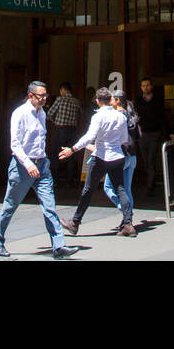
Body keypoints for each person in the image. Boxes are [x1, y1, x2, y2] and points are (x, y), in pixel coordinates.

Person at [0, 81, 76, 259]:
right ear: (31, 96)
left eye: (46, 95)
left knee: (49, 206)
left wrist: (42, 161)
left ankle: (59, 246)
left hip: (42, 164)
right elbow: (15, 144)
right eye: (41, 96)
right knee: (10, 205)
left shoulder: (42, 113)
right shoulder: (19, 114)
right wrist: (28, 164)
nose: (45, 99)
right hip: (23, 166)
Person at [60, 87, 135, 237]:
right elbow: (124, 139)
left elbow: (89, 136)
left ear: (97, 101)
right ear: (109, 100)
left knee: (88, 190)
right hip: (117, 156)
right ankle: (128, 224)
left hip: (100, 156)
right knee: (120, 189)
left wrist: (72, 149)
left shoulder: (98, 117)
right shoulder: (121, 117)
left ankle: (75, 223)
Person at [102, 90, 140, 221]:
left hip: (120, 156)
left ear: (118, 101)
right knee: (127, 189)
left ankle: (126, 212)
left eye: (112, 99)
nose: (110, 101)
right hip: (132, 155)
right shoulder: (131, 115)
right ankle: (127, 220)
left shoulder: (116, 116)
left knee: (108, 186)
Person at [133, 77, 167, 194]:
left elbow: (162, 115)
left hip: (154, 133)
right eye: (143, 86)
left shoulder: (157, 99)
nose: (145, 88)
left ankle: (150, 185)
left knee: (151, 158)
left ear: (151, 86)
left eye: (147, 85)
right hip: (143, 134)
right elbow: (135, 115)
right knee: (145, 159)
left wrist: (165, 131)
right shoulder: (138, 101)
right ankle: (149, 179)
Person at [47, 82, 82, 182]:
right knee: (70, 153)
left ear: (63, 89)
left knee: (56, 153)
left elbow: (49, 113)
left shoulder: (60, 100)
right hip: (72, 130)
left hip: (60, 129)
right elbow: (80, 115)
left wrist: (55, 122)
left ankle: (55, 179)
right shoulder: (76, 101)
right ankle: (70, 179)